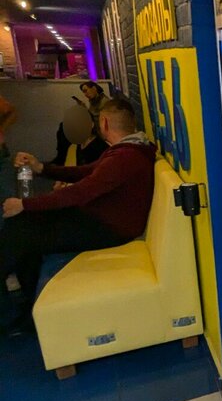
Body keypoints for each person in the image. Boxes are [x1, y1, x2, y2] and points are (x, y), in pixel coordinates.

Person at [0, 97, 156, 328]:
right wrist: (41, 168)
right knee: (23, 227)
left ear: (103, 123)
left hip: (109, 229)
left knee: (23, 231)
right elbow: (86, 173)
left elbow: (80, 192)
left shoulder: (125, 157)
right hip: (101, 220)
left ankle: (24, 309)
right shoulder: (129, 151)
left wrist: (25, 204)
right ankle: (28, 303)